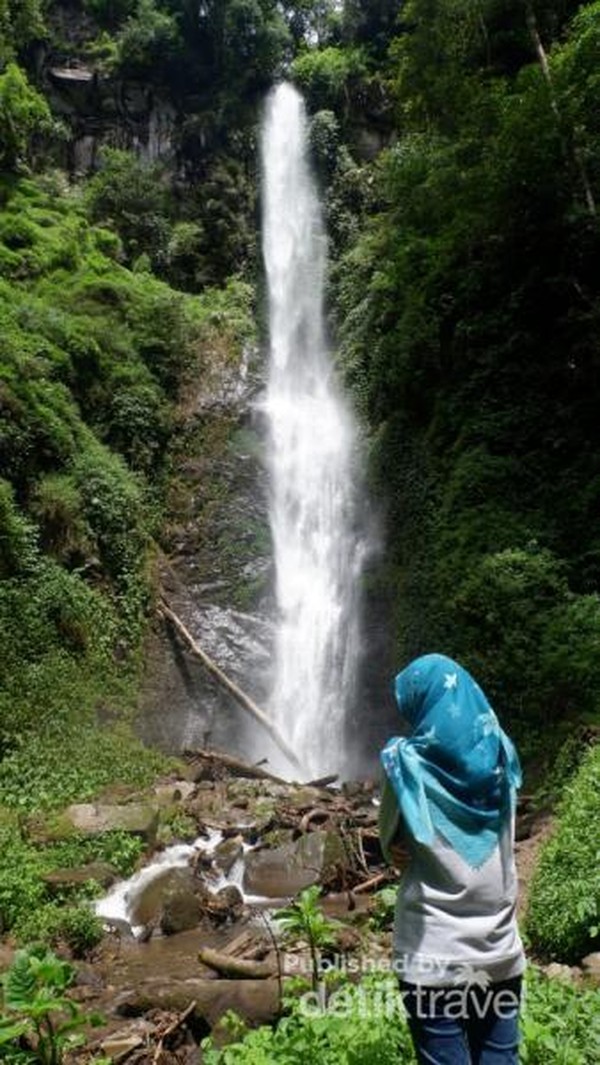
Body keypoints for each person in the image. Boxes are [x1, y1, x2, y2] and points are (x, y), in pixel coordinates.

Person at [378, 653, 525, 1065]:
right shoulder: (501, 756)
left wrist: (397, 847)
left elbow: (390, 842)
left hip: (432, 954)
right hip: (498, 949)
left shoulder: (403, 764)